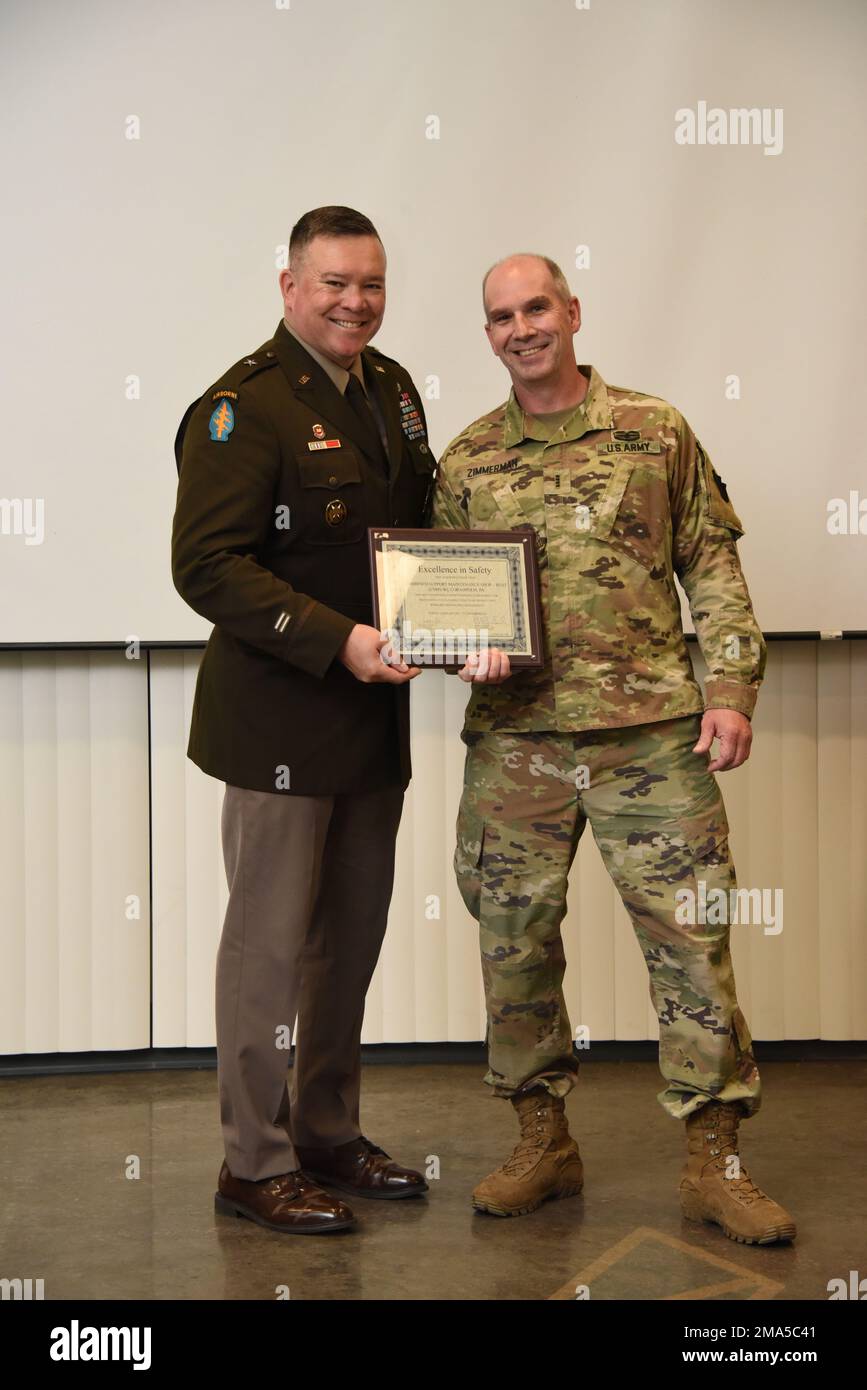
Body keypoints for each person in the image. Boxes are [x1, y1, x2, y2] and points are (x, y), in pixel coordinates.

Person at [429, 252, 796, 1245]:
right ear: (491, 333)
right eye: (501, 315)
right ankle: (542, 1141)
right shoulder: (464, 461)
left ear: (573, 311)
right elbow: (441, 602)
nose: (521, 326)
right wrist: (457, 652)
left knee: (692, 941)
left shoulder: (655, 430)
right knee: (512, 946)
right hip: (518, 746)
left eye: (536, 305)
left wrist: (730, 688)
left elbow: (710, 561)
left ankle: (714, 1161)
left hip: (652, 739)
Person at [171, 206, 435, 1234]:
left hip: (374, 717)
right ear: (290, 286)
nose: (354, 301)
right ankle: (253, 1159)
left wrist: (474, 620)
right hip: (280, 716)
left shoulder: (394, 388)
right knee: (269, 949)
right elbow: (206, 566)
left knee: (349, 943)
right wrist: (343, 639)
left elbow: (416, 531)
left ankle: (326, 1129)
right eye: (333, 283)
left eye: (370, 283)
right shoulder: (242, 408)